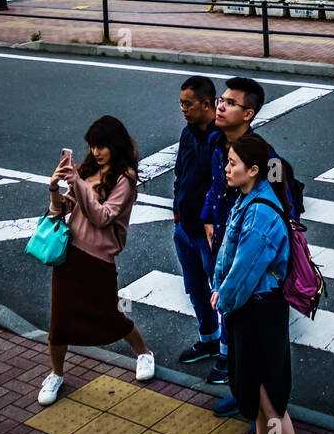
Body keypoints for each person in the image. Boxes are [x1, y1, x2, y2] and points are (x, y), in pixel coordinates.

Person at [211, 133, 308, 434]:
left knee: (269, 391)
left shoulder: (261, 212)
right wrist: (223, 292)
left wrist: (222, 297)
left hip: (260, 309)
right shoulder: (249, 197)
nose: (226, 168)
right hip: (249, 307)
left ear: (253, 170)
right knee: (252, 381)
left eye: (232, 163)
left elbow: (246, 270)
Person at [202, 76, 304, 417]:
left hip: (255, 255)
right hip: (224, 245)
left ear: (248, 114)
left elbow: (283, 206)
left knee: (259, 343)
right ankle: (242, 392)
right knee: (233, 328)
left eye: (230, 103)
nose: (220, 105)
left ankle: (265, 417)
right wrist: (207, 219)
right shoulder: (218, 144)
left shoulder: (266, 159)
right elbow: (212, 187)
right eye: (221, 99)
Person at [37, 115, 154, 406]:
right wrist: (55, 188)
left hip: (99, 258)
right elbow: (62, 209)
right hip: (69, 254)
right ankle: (55, 374)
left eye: (101, 146)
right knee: (59, 320)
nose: (96, 152)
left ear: (115, 145)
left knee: (109, 315)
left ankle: (144, 353)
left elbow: (102, 217)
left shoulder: (124, 179)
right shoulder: (89, 169)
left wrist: (78, 182)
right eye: (92, 146)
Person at [173, 75, 220, 365]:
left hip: (211, 234)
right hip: (185, 229)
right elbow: (180, 173)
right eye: (181, 103)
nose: (183, 109)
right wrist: (177, 214)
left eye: (188, 104)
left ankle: (229, 354)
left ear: (206, 104)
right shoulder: (187, 134)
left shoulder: (224, 139)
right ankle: (209, 340)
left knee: (221, 294)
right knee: (196, 289)